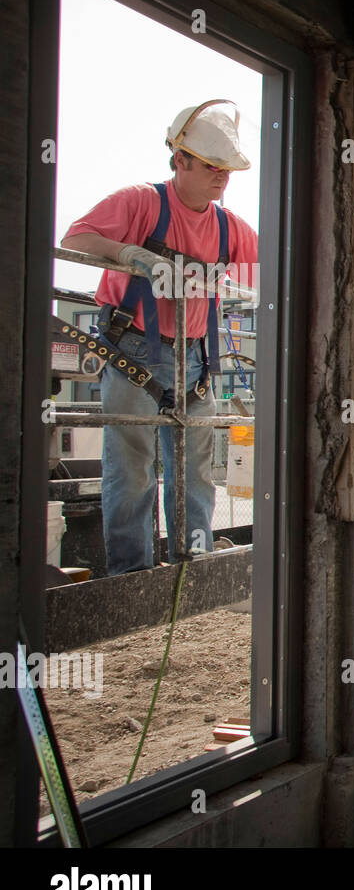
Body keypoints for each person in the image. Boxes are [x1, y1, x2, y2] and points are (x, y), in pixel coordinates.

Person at [62, 100, 258, 574]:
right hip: (134, 352)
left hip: (196, 362)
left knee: (193, 476)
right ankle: (131, 577)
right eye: (211, 167)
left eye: (226, 170)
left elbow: (274, 268)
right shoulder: (140, 203)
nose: (220, 178)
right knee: (131, 473)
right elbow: (75, 239)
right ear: (180, 160)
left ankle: (193, 569)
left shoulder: (230, 228)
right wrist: (129, 253)